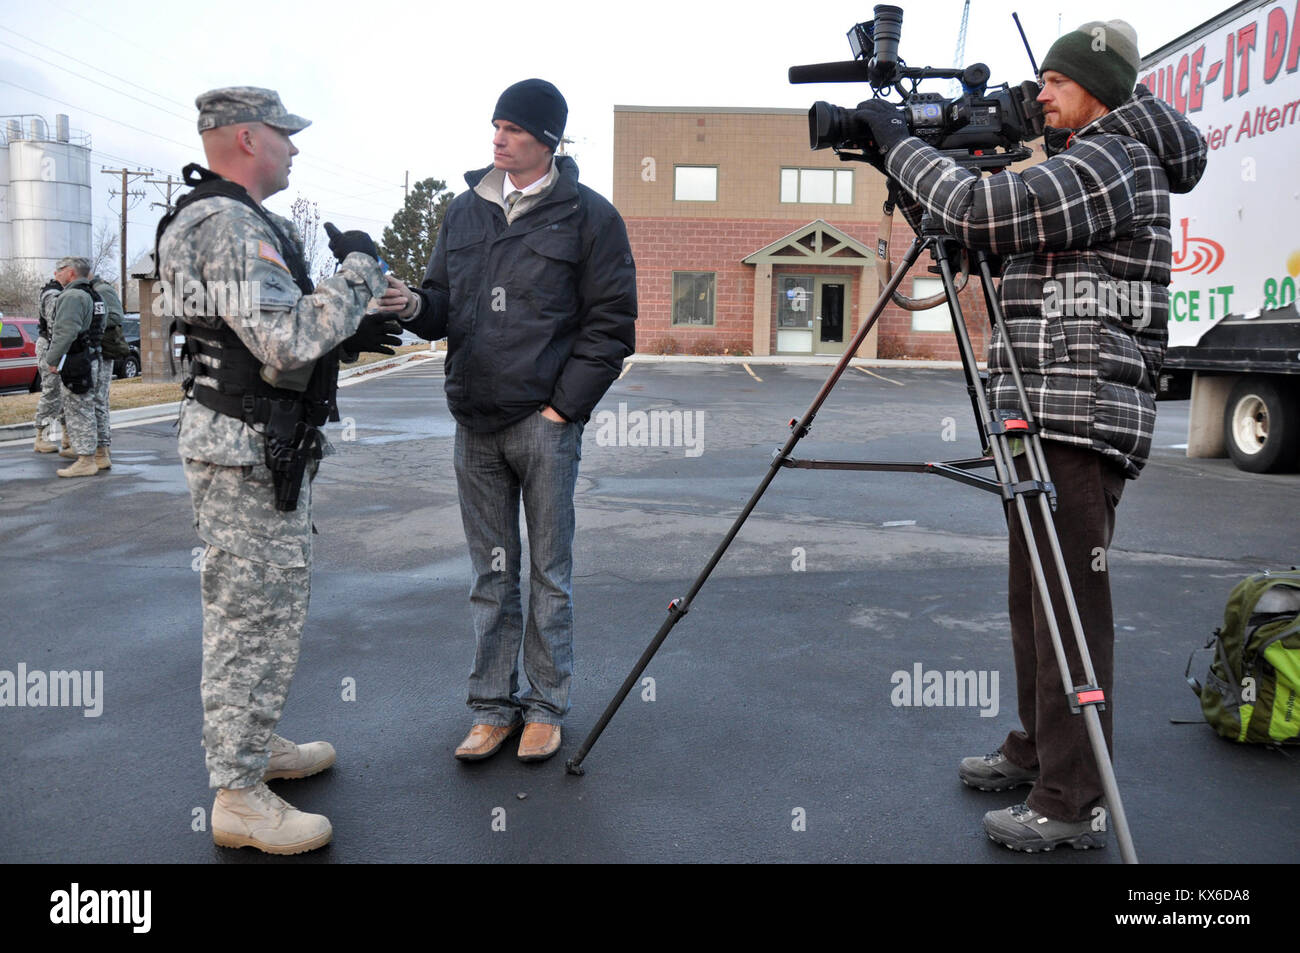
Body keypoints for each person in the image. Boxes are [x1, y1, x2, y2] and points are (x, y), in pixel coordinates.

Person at [860, 20, 1207, 851]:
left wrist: (897, 143)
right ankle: (1042, 749)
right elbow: (972, 227)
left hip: (1077, 416)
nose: (1039, 93)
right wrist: (910, 165)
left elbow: (982, 207)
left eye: (1056, 80)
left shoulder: (1114, 160)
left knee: (1068, 611)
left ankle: (1073, 797)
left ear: (1100, 88)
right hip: (1042, 408)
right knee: (1035, 600)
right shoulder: (1083, 159)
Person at [157, 86, 398, 855]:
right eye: (284, 136)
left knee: (264, 609)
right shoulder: (228, 223)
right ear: (247, 138)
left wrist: (346, 340)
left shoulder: (222, 219)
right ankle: (237, 792)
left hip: (252, 441)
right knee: (248, 618)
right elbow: (285, 340)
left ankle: (252, 747)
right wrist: (359, 272)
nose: (294, 148)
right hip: (242, 450)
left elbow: (257, 336)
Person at [380, 79, 637, 763]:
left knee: (549, 571)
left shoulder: (588, 217)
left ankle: (547, 707)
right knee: (491, 575)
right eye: (495, 125)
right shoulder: (463, 212)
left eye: (513, 129)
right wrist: (410, 303)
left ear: (547, 140)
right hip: (475, 424)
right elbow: (440, 306)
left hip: (542, 426)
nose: (498, 138)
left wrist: (562, 409)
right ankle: (492, 707)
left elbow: (611, 326)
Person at [44, 257, 103, 479]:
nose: (55, 275)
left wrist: (52, 359)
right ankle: (93, 454)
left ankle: (85, 460)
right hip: (89, 355)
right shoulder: (91, 293)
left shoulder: (71, 296)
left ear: (69, 272)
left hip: (76, 358)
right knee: (88, 407)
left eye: (59, 270)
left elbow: (64, 332)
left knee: (79, 409)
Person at [90, 274, 127, 470]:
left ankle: (102, 448)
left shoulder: (103, 291)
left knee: (100, 399)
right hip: (96, 349)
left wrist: (93, 323)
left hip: (105, 349)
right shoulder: (90, 291)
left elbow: (116, 316)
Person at [32, 278, 63, 454]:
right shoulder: (52, 293)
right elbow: (55, 326)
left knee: (65, 394)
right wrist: (55, 356)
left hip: (57, 347)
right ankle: (43, 438)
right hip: (50, 347)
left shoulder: (64, 291)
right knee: (51, 393)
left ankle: (67, 437)